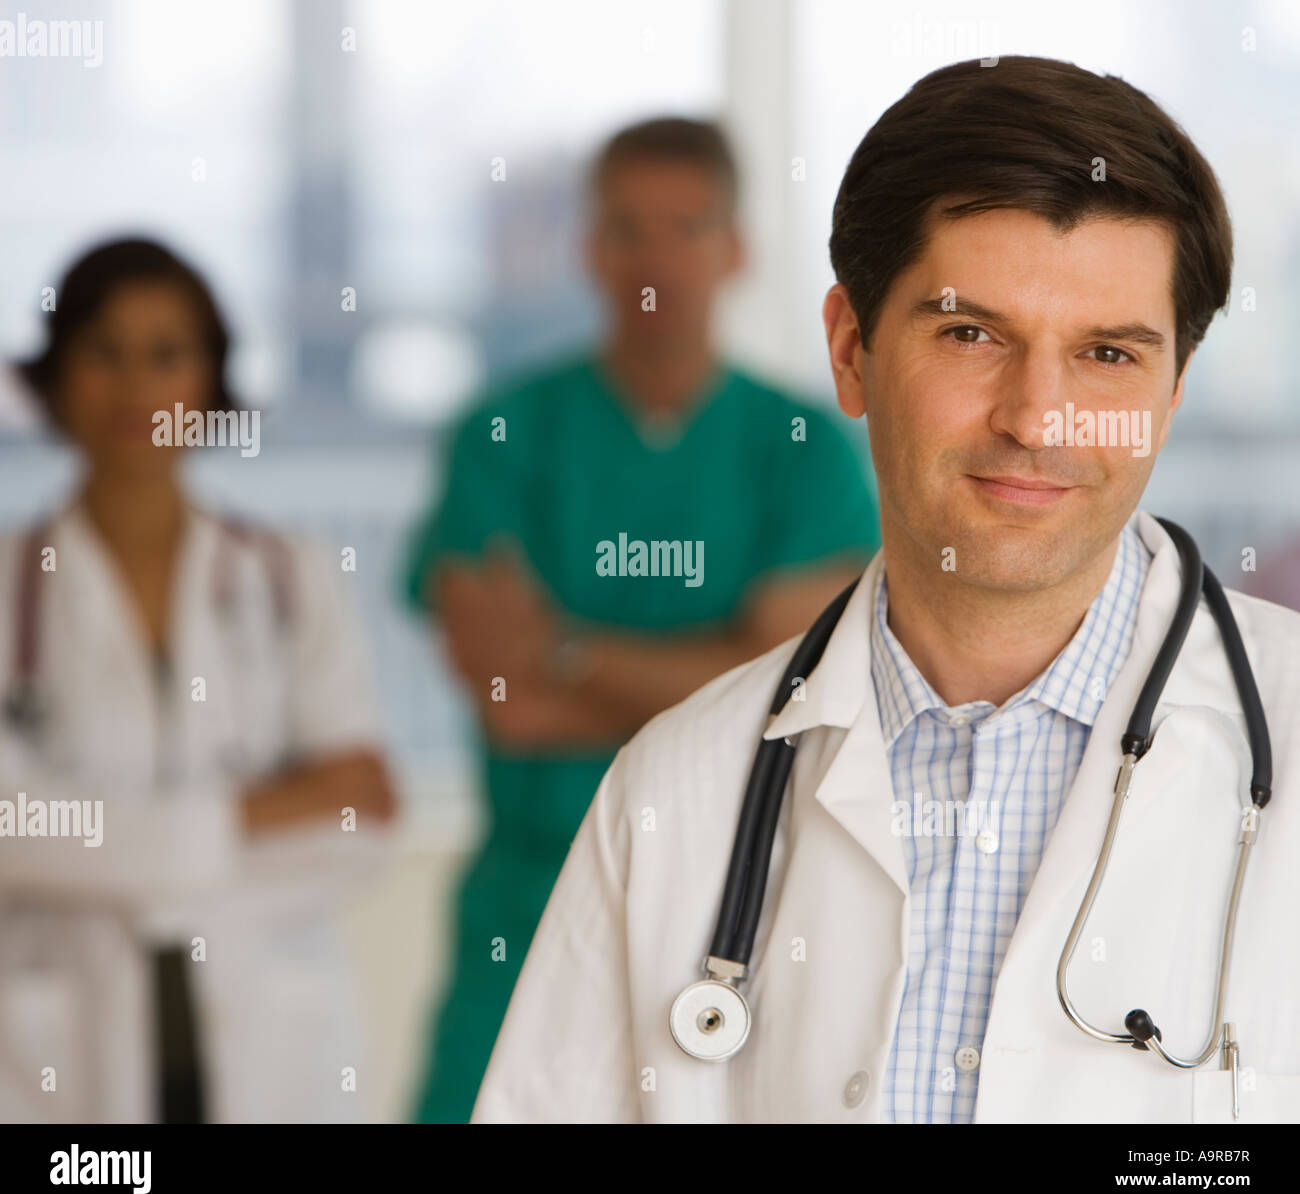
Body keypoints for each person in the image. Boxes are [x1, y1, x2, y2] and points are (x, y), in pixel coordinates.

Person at [471, 56, 1300, 1124]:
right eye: (972, 335)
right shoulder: (671, 794)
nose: (1038, 419)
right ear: (851, 349)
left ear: (1171, 392)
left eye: (1107, 353)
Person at [402, 117, 881, 1123]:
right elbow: (509, 702)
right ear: (590, 248)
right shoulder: (505, 434)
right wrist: (719, 675)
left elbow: (793, 697)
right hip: (524, 902)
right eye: (627, 228)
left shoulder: (800, 445)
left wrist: (567, 648)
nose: (655, 258)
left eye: (686, 226)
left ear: (736, 248)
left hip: (742, 900)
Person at [0, 237, 397, 1122]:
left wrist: (104, 845)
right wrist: (248, 816)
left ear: (210, 384)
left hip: (269, 1025)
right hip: (58, 1043)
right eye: (103, 352)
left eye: (168, 354)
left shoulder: (289, 574)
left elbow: (361, 812)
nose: (137, 387)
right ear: (57, 379)